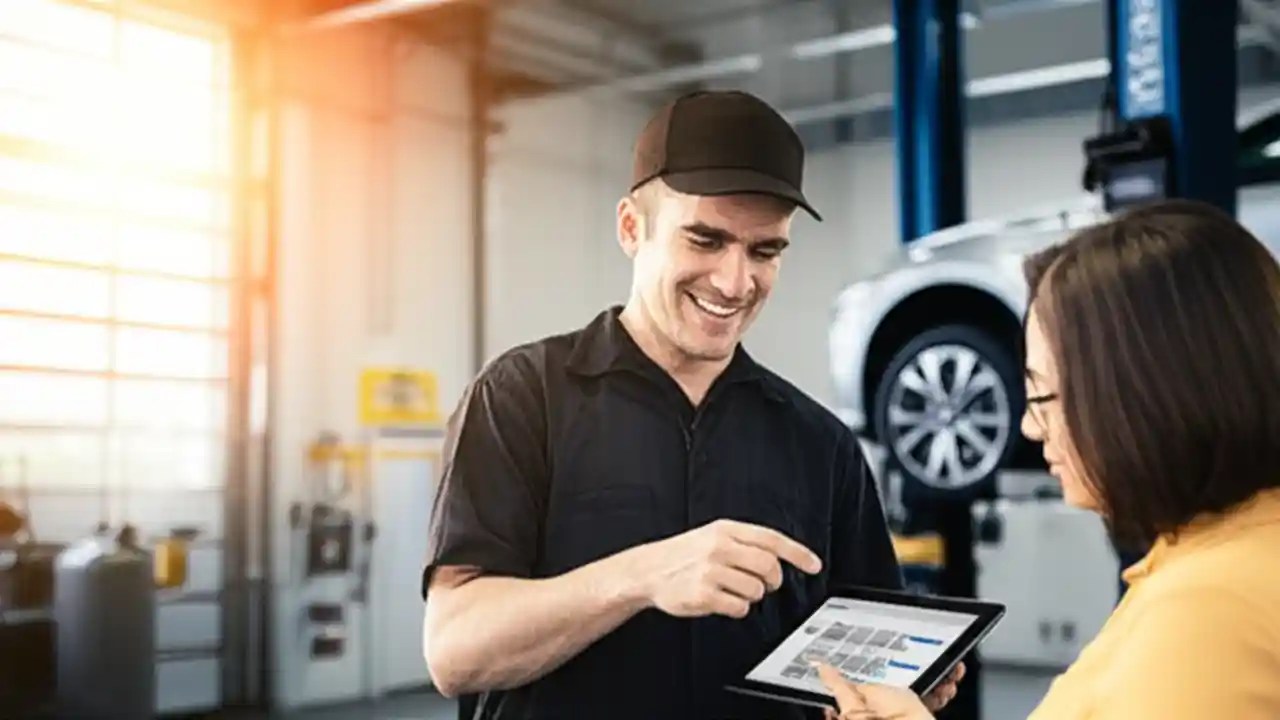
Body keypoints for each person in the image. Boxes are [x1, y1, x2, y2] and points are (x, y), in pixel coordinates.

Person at [419, 90, 963, 720]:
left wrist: (891, 683)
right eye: (705, 240)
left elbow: (851, 669)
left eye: (765, 251)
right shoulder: (520, 398)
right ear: (631, 227)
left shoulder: (821, 445)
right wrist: (644, 576)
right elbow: (454, 651)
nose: (736, 283)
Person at [815, 199, 1280, 720]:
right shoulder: (1223, 558)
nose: (1028, 427)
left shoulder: (1206, 614)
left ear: (1139, 393)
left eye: (1040, 396)